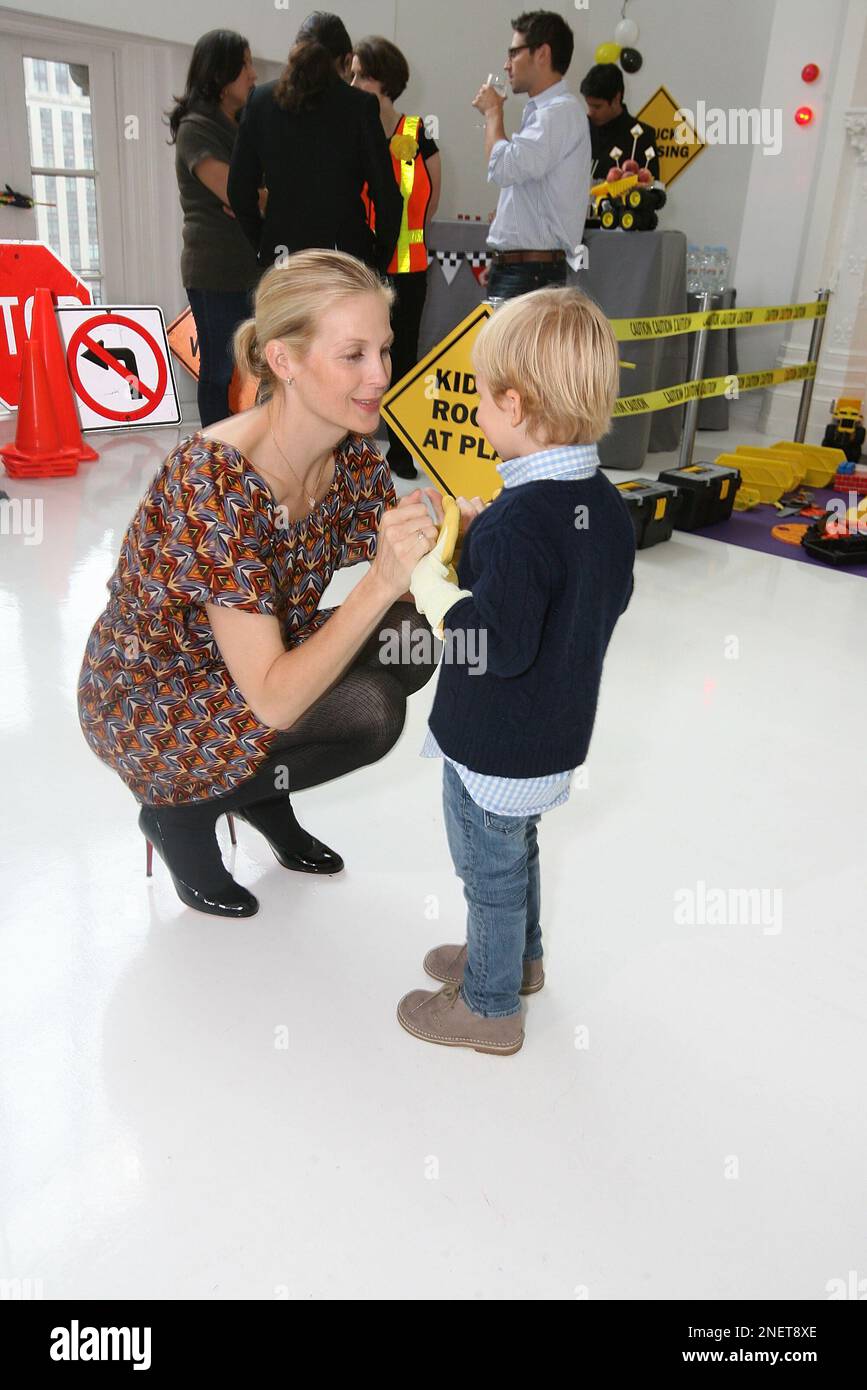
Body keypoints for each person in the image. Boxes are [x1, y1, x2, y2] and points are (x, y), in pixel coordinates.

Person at [77, 251, 441, 920]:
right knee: (370, 710)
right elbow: (274, 699)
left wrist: (463, 554)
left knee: (409, 642)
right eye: (352, 355)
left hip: (244, 661)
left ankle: (255, 786)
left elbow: (409, 587)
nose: (379, 376)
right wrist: (381, 582)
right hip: (154, 694)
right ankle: (179, 814)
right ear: (284, 361)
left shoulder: (350, 451)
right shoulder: (214, 478)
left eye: (383, 351)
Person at [398, 288, 635, 1054]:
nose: (474, 413)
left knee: (487, 870)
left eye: (479, 397)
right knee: (516, 851)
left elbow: (494, 646)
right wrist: (476, 548)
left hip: (493, 742)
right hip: (552, 733)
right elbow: (596, 596)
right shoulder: (601, 505)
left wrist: (435, 587)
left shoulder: (518, 521)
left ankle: (489, 1005)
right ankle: (517, 958)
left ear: (513, 400)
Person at [227, 12, 402, 275]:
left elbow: (239, 190)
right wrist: (376, 261)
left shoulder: (260, 101)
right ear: (346, 60)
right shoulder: (360, 107)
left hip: (283, 258)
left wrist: (263, 243)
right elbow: (387, 197)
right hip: (344, 259)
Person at [352, 36, 441, 481]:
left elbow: (432, 201)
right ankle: (355, 449)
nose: (352, 83)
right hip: (363, 271)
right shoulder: (352, 130)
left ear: (383, 80)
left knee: (403, 358)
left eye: (360, 74)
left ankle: (402, 449)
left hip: (409, 270)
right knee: (356, 358)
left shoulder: (416, 132)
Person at [168, 29, 262, 426]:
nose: (254, 75)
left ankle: (239, 449)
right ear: (221, 77)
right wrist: (251, 199)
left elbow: (255, 195)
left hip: (249, 267)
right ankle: (213, 458)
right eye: (245, 66)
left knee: (251, 370)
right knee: (219, 371)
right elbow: (234, 193)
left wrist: (252, 200)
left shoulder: (243, 124)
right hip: (215, 270)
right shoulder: (196, 127)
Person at [473, 9, 590, 301]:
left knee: (513, 350)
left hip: (531, 272)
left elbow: (503, 168)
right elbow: (527, 193)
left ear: (542, 53)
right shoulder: (544, 113)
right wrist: (503, 258)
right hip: (523, 268)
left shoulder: (558, 113)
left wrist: (492, 112)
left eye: (513, 53)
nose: (506, 64)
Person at [580, 63, 659, 181]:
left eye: (597, 107)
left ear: (616, 98)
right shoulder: (578, 129)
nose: (591, 112)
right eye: (589, 105)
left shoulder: (642, 137)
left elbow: (653, 191)